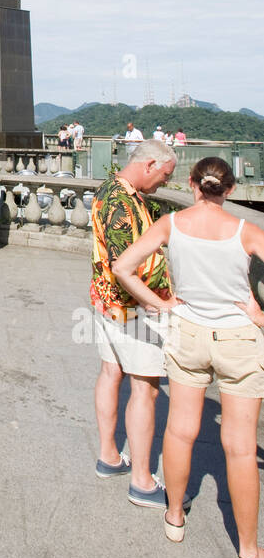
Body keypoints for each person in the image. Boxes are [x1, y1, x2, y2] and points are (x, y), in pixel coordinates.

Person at [113, 158, 264, 558]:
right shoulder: (246, 232)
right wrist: (259, 314)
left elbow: (122, 267)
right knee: (239, 446)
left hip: (186, 333)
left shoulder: (171, 225)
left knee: (180, 431)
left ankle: (175, 516)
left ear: (193, 185)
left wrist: (160, 304)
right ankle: (249, 551)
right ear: (229, 190)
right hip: (238, 339)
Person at [90, 139, 177, 506]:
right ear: (150, 164)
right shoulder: (121, 201)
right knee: (145, 388)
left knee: (111, 373)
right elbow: (123, 266)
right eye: (165, 174)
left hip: (106, 302)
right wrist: (159, 303)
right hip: (133, 309)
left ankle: (109, 456)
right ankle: (142, 481)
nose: (165, 182)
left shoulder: (110, 189)